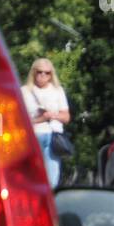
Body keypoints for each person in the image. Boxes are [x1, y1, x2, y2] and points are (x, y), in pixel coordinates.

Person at [22, 57, 70, 187]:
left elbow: (66, 117)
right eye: (40, 72)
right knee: (32, 177)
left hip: (53, 137)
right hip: (32, 137)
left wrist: (52, 115)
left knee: (52, 180)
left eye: (47, 73)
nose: (43, 75)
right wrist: (40, 119)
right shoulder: (25, 91)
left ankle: (48, 203)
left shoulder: (57, 90)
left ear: (51, 74)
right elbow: (18, 121)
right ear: (34, 72)